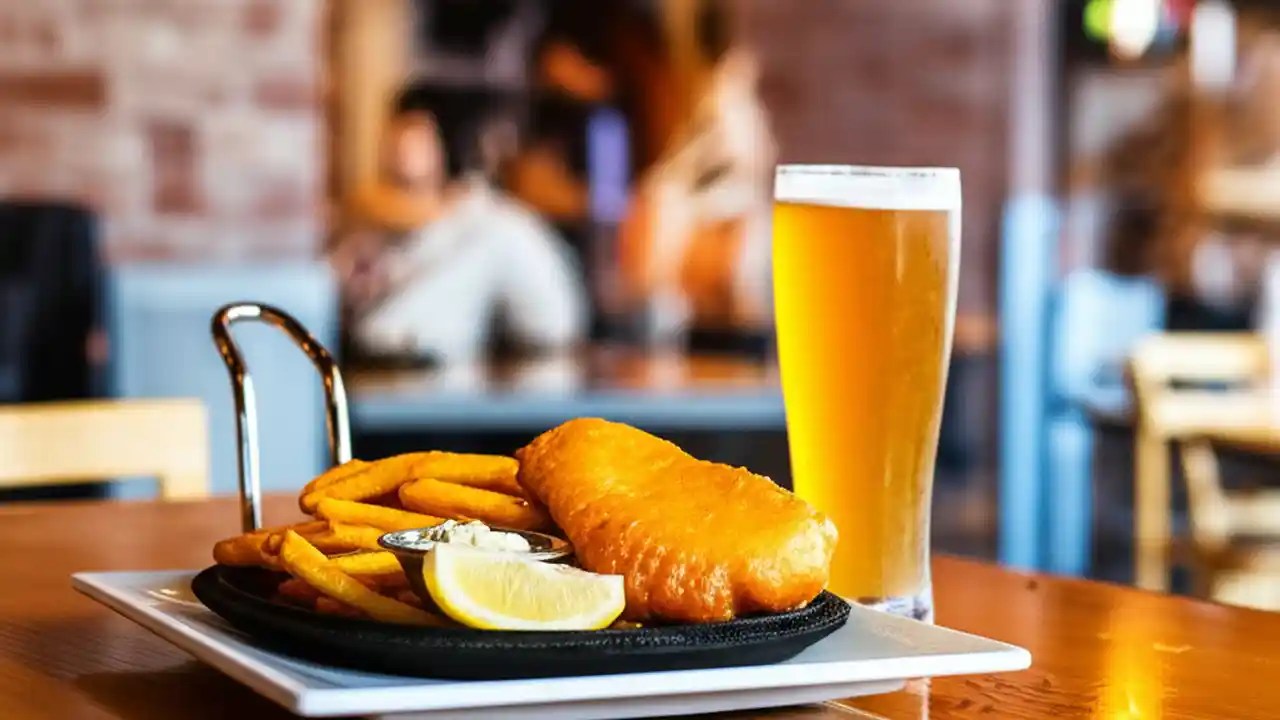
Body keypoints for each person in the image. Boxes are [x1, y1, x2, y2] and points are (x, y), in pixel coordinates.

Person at [333, 104, 587, 364]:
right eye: (395, 147)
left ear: (444, 153)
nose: (401, 156)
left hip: (535, 353)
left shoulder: (495, 227)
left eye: (416, 145)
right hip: (390, 360)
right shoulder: (375, 230)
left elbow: (552, 325)